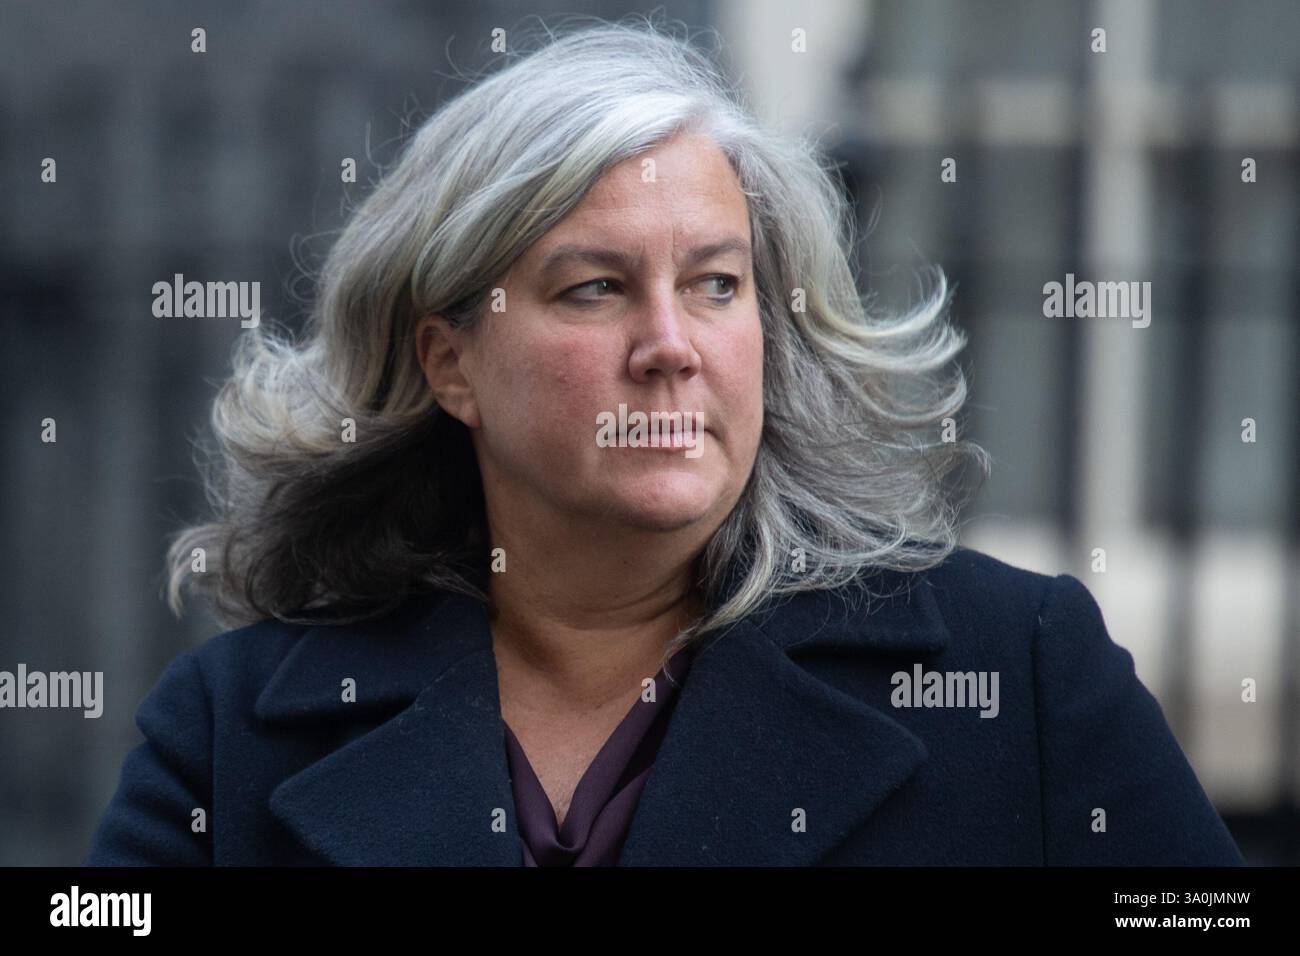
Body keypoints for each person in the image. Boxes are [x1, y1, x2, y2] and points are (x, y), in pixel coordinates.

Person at [83, 19, 1244, 866]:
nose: (669, 344)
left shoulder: (1020, 672)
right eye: (593, 288)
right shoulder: (232, 733)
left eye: (716, 284)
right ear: (450, 362)